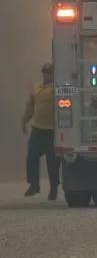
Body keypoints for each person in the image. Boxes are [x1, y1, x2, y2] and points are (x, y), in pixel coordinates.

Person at [22, 63, 60, 200]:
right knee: (32, 157)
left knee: (53, 162)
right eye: (45, 73)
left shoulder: (57, 88)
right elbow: (30, 106)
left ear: (53, 74)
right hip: (38, 128)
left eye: (49, 73)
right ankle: (34, 184)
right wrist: (24, 120)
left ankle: (54, 189)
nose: (47, 75)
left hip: (52, 130)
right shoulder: (36, 88)